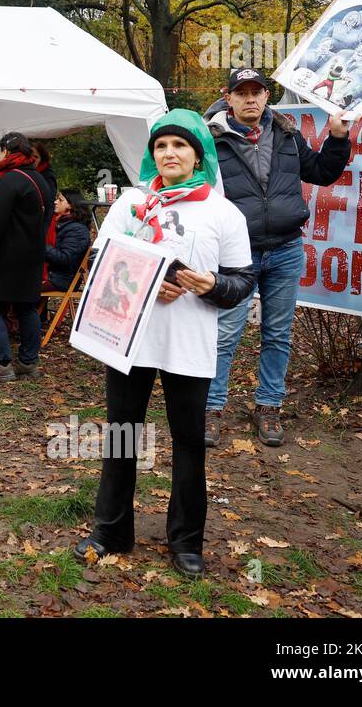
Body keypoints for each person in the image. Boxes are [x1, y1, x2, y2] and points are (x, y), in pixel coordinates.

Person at [72, 110, 255, 578]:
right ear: (152, 154)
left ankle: (186, 541)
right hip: (129, 339)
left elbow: (242, 283)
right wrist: (149, 283)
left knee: (189, 442)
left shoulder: (222, 211)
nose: (169, 153)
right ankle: (111, 531)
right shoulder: (131, 204)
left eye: (180, 145)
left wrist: (209, 285)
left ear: (198, 154)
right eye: (161, 146)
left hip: (188, 344)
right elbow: (98, 262)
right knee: (121, 435)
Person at [204, 69, 350, 447]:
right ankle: (210, 409)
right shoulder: (210, 141)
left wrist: (337, 138)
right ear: (229, 97)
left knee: (278, 334)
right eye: (242, 93)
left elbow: (321, 172)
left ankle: (268, 407)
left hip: (286, 249)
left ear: (267, 96)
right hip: (237, 254)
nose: (250, 99)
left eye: (257, 92)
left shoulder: (287, 134)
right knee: (224, 334)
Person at [0, 132, 53, 381]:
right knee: (27, 307)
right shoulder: (40, 179)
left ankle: (2, 363)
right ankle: (28, 362)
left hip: (6, 257)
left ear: (6, 150)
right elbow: (47, 221)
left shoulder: (8, 181)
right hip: (33, 255)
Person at [46, 189, 93, 293]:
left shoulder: (77, 230)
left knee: (15, 285)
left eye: (60, 200)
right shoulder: (61, 224)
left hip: (60, 280)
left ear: (71, 205)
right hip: (52, 275)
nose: (55, 202)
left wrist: (41, 246)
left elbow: (65, 258)